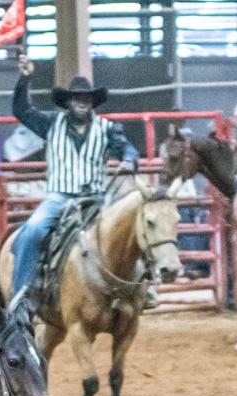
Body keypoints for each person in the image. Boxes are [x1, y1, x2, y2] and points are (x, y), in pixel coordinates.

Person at [9, 54, 139, 310]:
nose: (81, 102)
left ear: (92, 102)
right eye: (77, 98)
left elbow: (128, 150)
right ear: (68, 102)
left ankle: (144, 286)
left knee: (131, 228)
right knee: (34, 229)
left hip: (96, 198)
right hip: (59, 197)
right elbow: (21, 110)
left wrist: (129, 160)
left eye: (86, 98)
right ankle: (21, 294)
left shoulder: (108, 129)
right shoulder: (50, 123)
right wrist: (25, 79)